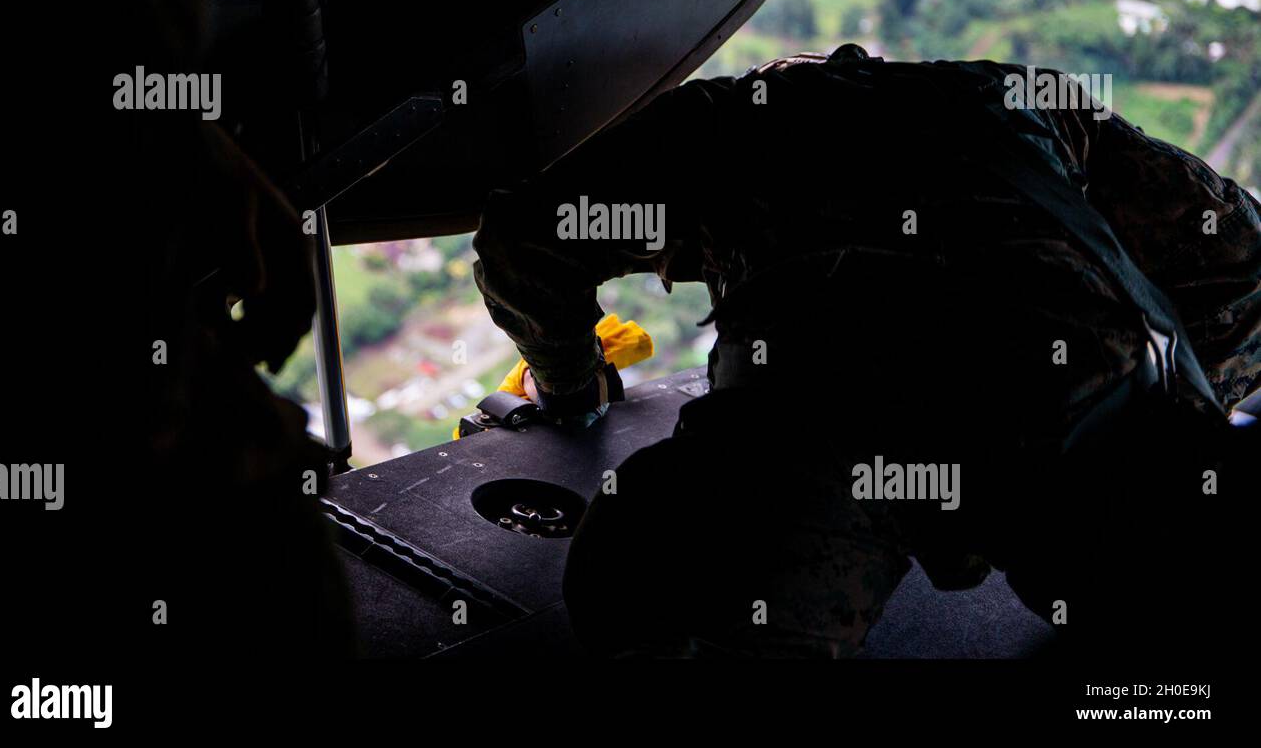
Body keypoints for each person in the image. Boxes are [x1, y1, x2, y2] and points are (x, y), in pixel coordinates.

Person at [472, 45, 1259, 657]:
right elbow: (1231, 246)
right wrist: (1193, 373)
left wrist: (572, 393)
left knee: (648, 591)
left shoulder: (711, 132)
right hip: (1106, 378)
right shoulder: (1005, 93)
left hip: (855, 409)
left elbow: (522, 244)